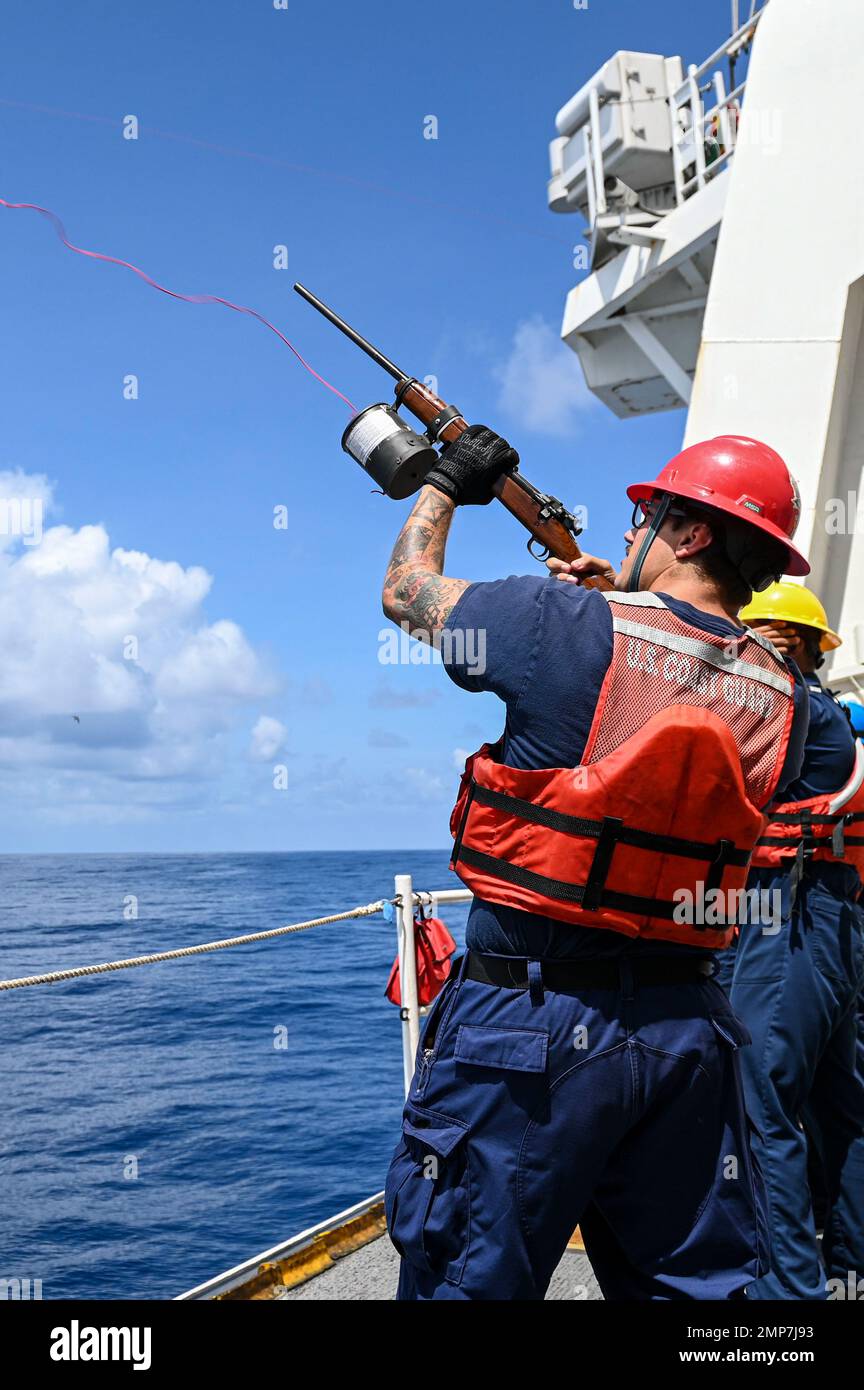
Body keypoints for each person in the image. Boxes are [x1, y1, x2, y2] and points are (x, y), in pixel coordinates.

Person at [381, 429, 809, 1300]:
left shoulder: (560, 625)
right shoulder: (790, 699)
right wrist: (623, 603)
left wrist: (440, 486)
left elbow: (405, 594)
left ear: (689, 536)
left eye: (644, 519)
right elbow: (687, 669)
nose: (623, 536)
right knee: (700, 1296)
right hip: (687, 1031)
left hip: (526, 1028)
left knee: (468, 1276)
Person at [717, 581, 864, 1299]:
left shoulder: (798, 709)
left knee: (760, 1100)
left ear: (790, 642)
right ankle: (849, 1266)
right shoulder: (825, 715)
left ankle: (786, 1302)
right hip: (827, 916)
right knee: (838, 1098)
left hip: (790, 913)